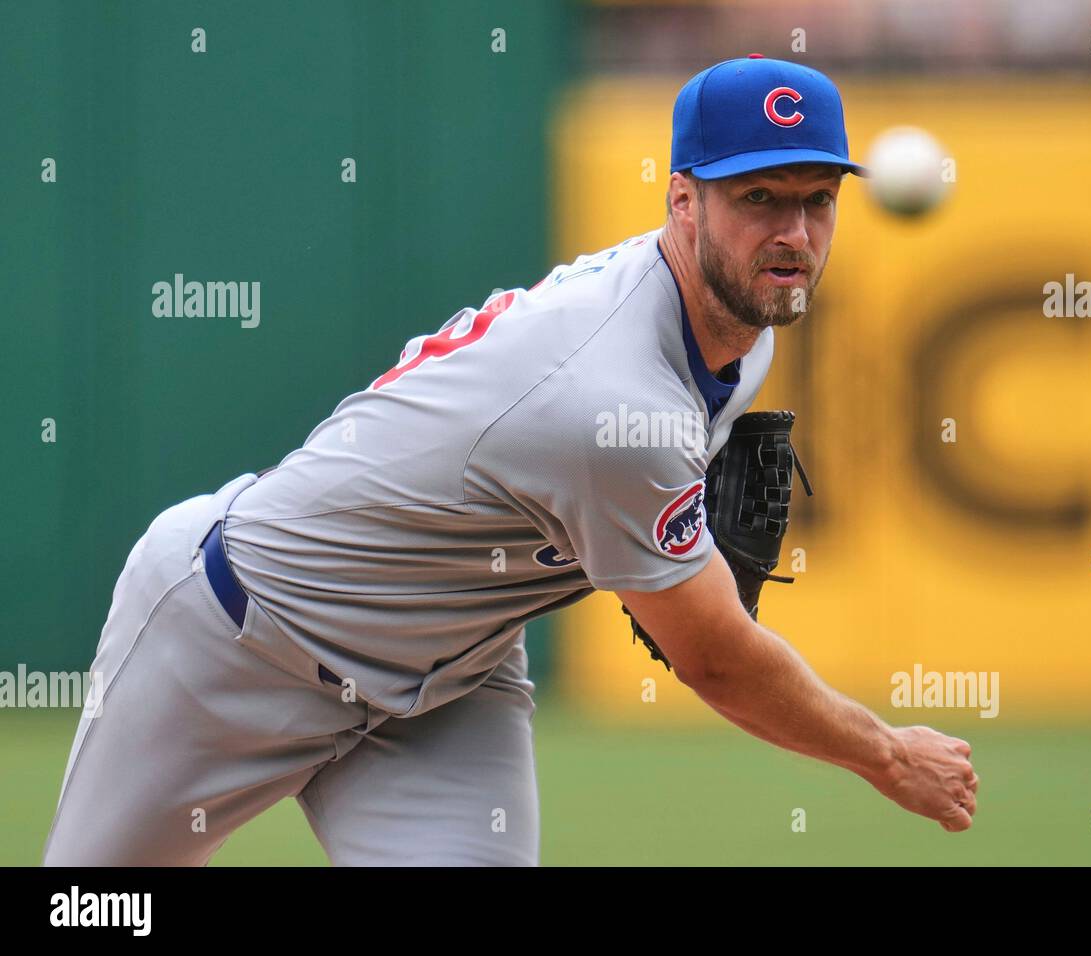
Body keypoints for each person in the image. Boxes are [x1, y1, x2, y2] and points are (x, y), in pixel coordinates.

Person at [43, 55, 978, 867]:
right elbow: (716, 663)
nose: (795, 235)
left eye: (818, 200)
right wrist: (887, 755)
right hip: (234, 640)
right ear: (682, 200)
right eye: (757, 199)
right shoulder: (613, 397)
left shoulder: (743, 328)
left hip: (444, 688)